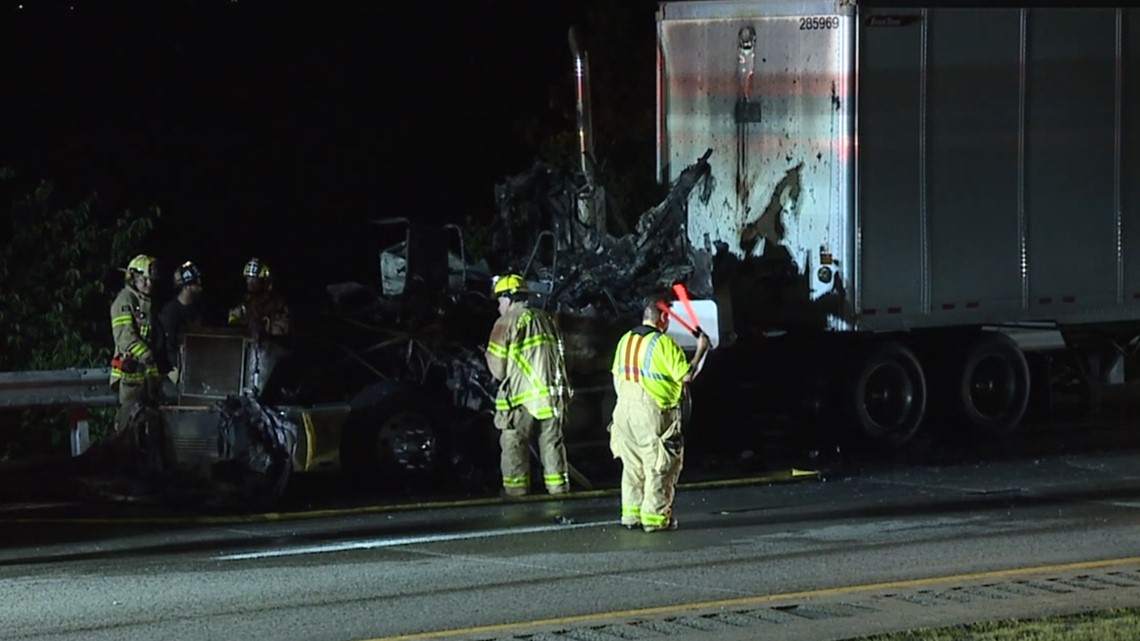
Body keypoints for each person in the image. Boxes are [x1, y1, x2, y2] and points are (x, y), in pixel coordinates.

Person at [609, 296, 710, 532]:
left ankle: (631, 515)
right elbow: (687, 376)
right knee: (658, 466)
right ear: (663, 317)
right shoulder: (662, 343)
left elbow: (616, 375)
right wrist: (701, 350)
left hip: (622, 410)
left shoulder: (625, 340)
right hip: (651, 412)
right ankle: (655, 519)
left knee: (632, 466)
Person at [484, 273, 573, 497]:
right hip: (552, 397)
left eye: (499, 301)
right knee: (552, 446)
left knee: (514, 443)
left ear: (508, 298)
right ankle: (559, 491)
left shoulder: (506, 322)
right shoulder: (547, 319)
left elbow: (497, 367)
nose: (498, 307)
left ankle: (517, 494)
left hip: (522, 399)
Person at [108, 254, 164, 434]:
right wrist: (147, 356)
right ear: (133, 279)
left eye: (151, 280)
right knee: (128, 427)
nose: (149, 284)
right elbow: (125, 338)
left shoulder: (146, 303)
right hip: (130, 376)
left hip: (147, 377)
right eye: (143, 280)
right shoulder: (125, 300)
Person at [159, 260, 205, 378]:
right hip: (176, 371)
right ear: (187, 287)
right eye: (196, 282)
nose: (200, 284)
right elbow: (168, 345)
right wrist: (174, 370)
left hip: (196, 366)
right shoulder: (170, 312)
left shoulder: (198, 308)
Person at [227, 257, 291, 338]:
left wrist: (265, 327)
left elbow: (283, 329)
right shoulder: (243, 303)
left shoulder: (277, 304)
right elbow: (232, 326)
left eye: (253, 279)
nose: (248, 281)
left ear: (264, 281)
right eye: (248, 278)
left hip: (270, 347)